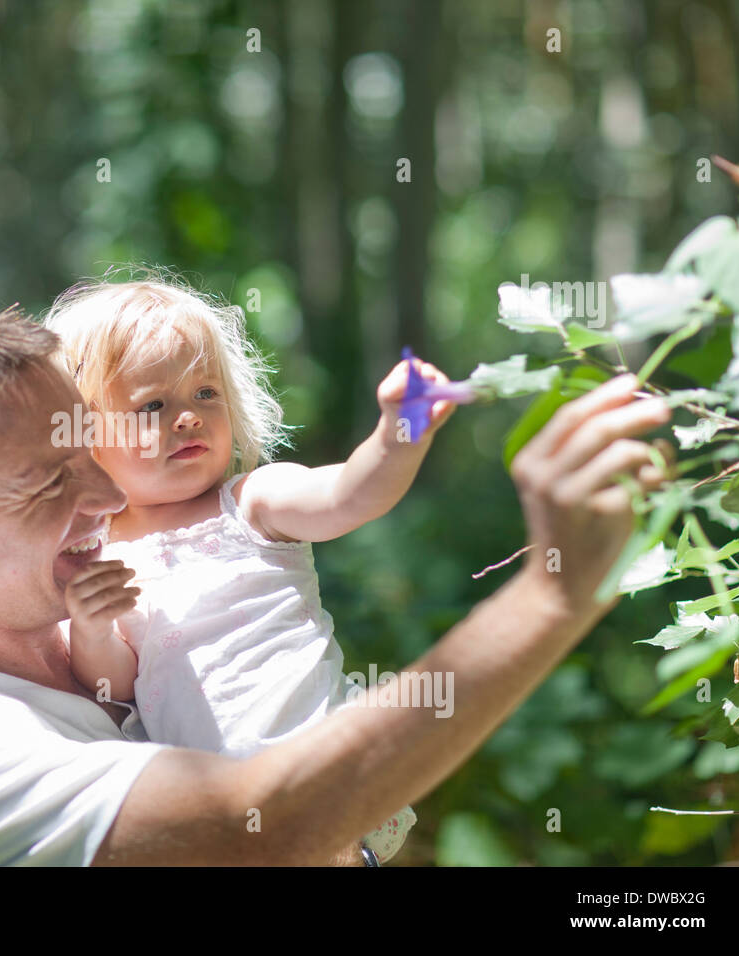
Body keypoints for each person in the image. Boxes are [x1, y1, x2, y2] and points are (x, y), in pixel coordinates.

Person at [0, 309, 671, 866]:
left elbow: (348, 492)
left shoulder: (66, 608)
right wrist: (556, 594)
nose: (112, 501)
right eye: (51, 484)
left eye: (92, 463)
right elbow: (263, 830)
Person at [43, 279, 455, 863]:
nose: (187, 417)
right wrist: (89, 630)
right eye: (152, 405)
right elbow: (117, 683)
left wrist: (399, 433)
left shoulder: (251, 503)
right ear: (85, 437)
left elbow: (348, 494)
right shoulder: (98, 553)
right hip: (222, 825)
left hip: (325, 789)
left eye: (206, 393)